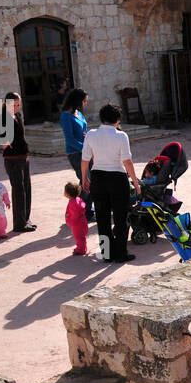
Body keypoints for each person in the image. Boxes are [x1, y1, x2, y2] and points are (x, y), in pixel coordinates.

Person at [81, 104, 141, 263]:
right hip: (117, 178)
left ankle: (106, 253)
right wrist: (135, 182)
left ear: (102, 118)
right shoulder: (121, 136)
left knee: (102, 218)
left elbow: (85, 160)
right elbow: (127, 161)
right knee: (121, 218)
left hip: (98, 178)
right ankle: (121, 253)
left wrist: (84, 178)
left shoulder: (91, 135)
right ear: (118, 119)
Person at [0, 92, 35, 233]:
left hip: (23, 156)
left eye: (18, 105)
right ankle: (19, 224)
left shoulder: (18, 116)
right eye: (13, 105)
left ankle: (26, 219)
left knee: (26, 188)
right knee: (18, 190)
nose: (16, 107)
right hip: (12, 159)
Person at [60, 89, 94, 222]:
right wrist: (85, 149)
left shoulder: (79, 113)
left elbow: (84, 131)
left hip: (85, 151)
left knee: (89, 180)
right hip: (75, 153)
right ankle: (81, 211)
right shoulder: (65, 116)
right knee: (86, 180)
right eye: (84, 101)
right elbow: (70, 139)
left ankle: (84, 210)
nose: (85, 103)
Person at [63, 181, 88, 255]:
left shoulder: (73, 203)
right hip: (82, 222)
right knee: (82, 237)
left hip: (77, 224)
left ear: (67, 194)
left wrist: (71, 222)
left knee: (79, 238)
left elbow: (75, 216)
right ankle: (82, 248)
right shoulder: (77, 199)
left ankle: (81, 250)